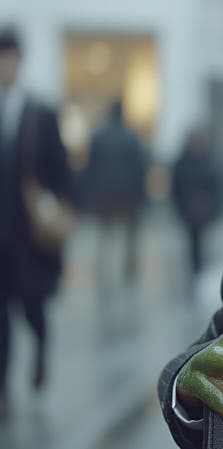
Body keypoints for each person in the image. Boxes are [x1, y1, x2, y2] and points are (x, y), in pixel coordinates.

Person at [0, 27, 76, 418]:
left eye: (9, 57)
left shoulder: (39, 114)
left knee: (32, 308)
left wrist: (63, 209)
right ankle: (3, 391)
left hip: (30, 237)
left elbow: (62, 172)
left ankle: (42, 352)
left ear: (19, 60)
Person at [85, 99, 146, 306]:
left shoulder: (99, 136)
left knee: (104, 237)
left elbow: (90, 169)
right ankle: (127, 275)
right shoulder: (131, 137)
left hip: (104, 195)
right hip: (128, 195)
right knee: (129, 238)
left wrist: (91, 194)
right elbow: (140, 169)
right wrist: (141, 196)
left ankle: (104, 276)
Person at [172, 128, 220, 279]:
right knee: (193, 241)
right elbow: (176, 187)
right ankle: (195, 269)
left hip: (203, 209)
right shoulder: (182, 163)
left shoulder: (205, 161)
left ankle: (200, 269)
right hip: (189, 210)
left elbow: (214, 186)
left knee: (202, 240)